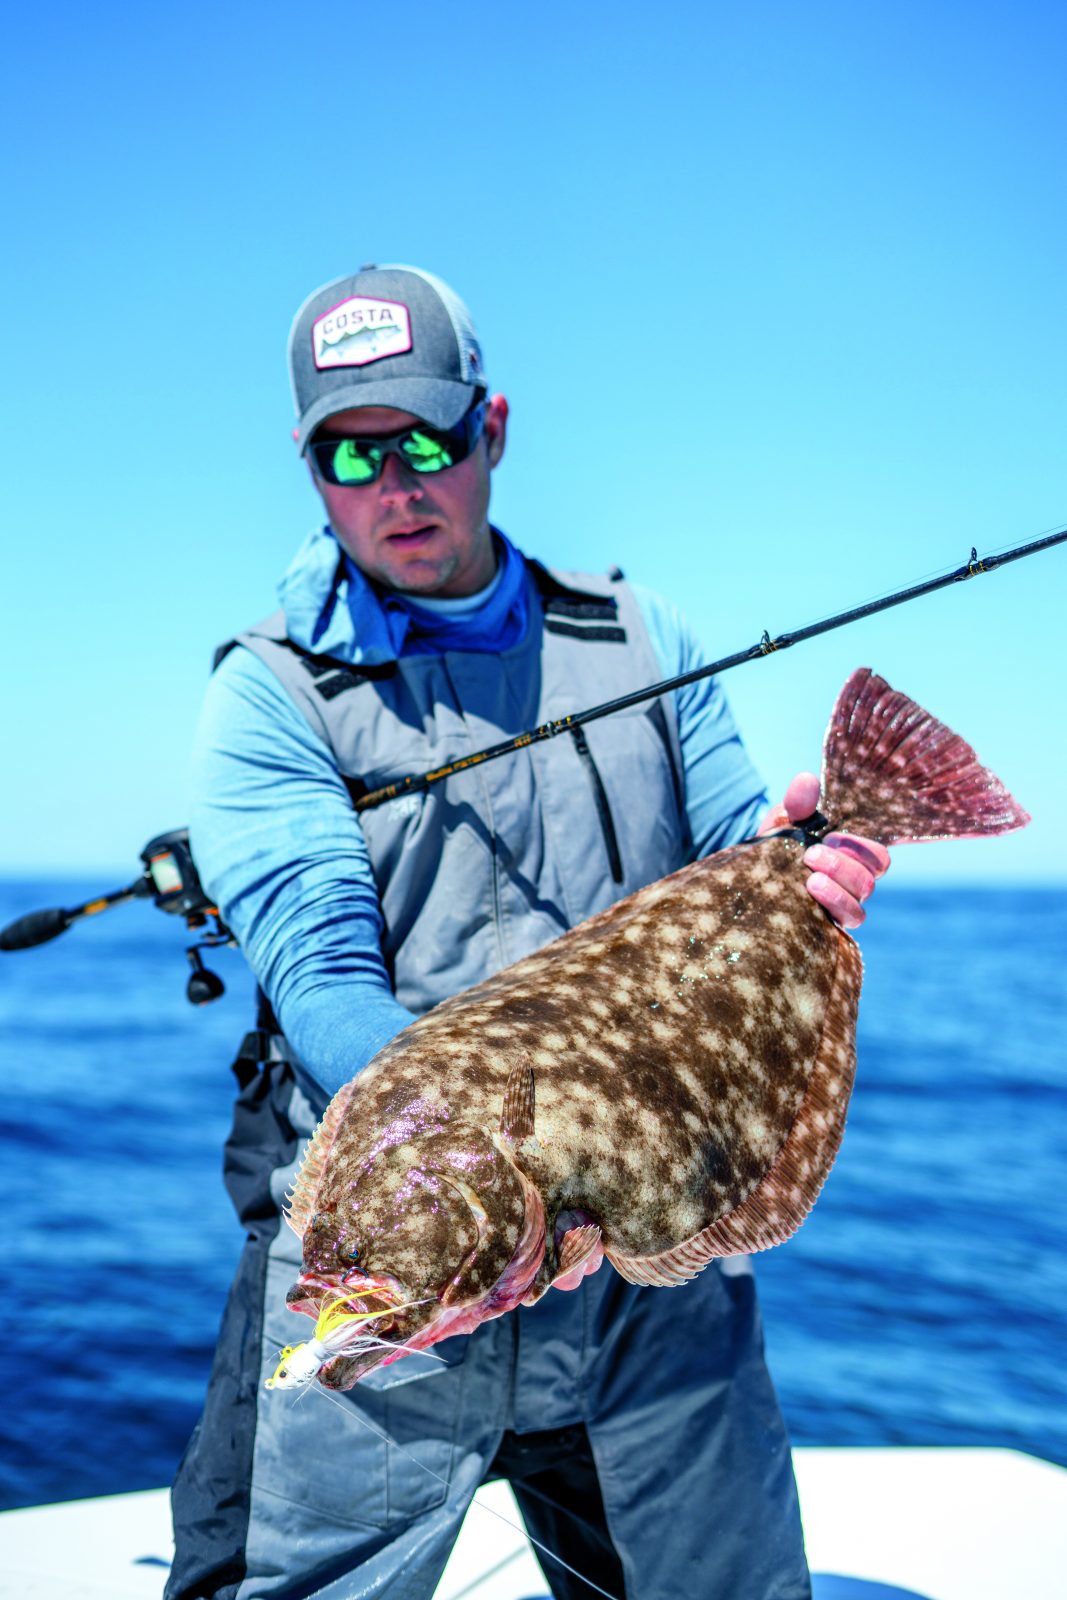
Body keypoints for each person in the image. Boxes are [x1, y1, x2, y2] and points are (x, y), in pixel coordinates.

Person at [168, 264, 889, 1600]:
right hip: (396, 1243)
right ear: (308, 466)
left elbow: (741, 848)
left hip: (642, 1254)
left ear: (490, 428)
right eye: (352, 453)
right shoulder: (267, 695)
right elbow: (321, 973)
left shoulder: (640, 636)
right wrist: (488, 1178)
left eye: (429, 441)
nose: (399, 483)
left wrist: (810, 861)